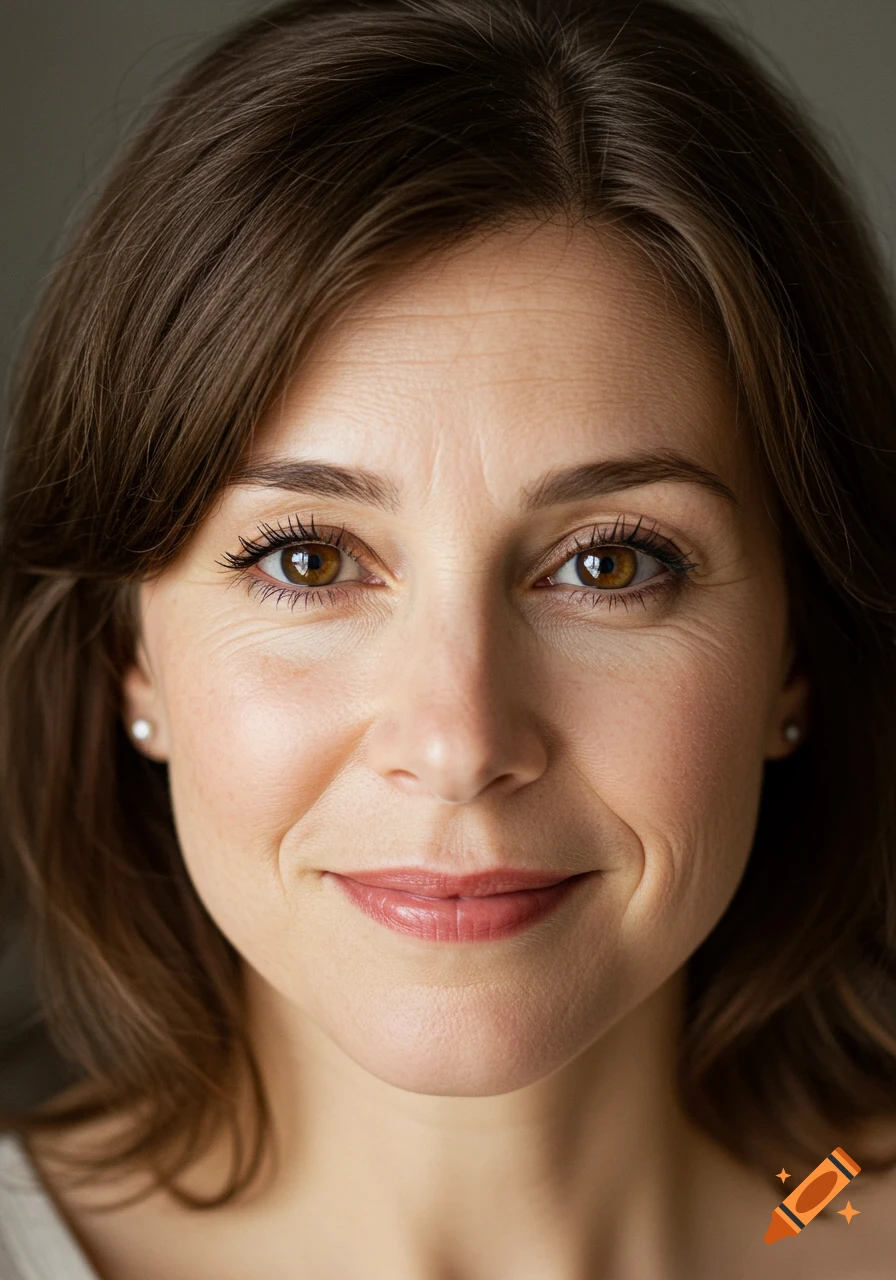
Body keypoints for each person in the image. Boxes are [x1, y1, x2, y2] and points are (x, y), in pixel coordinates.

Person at [1, 1, 895, 1276]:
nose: (458, 744)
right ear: (127, 655)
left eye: (607, 563)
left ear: (791, 650)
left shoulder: (840, 1211)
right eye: (308, 559)